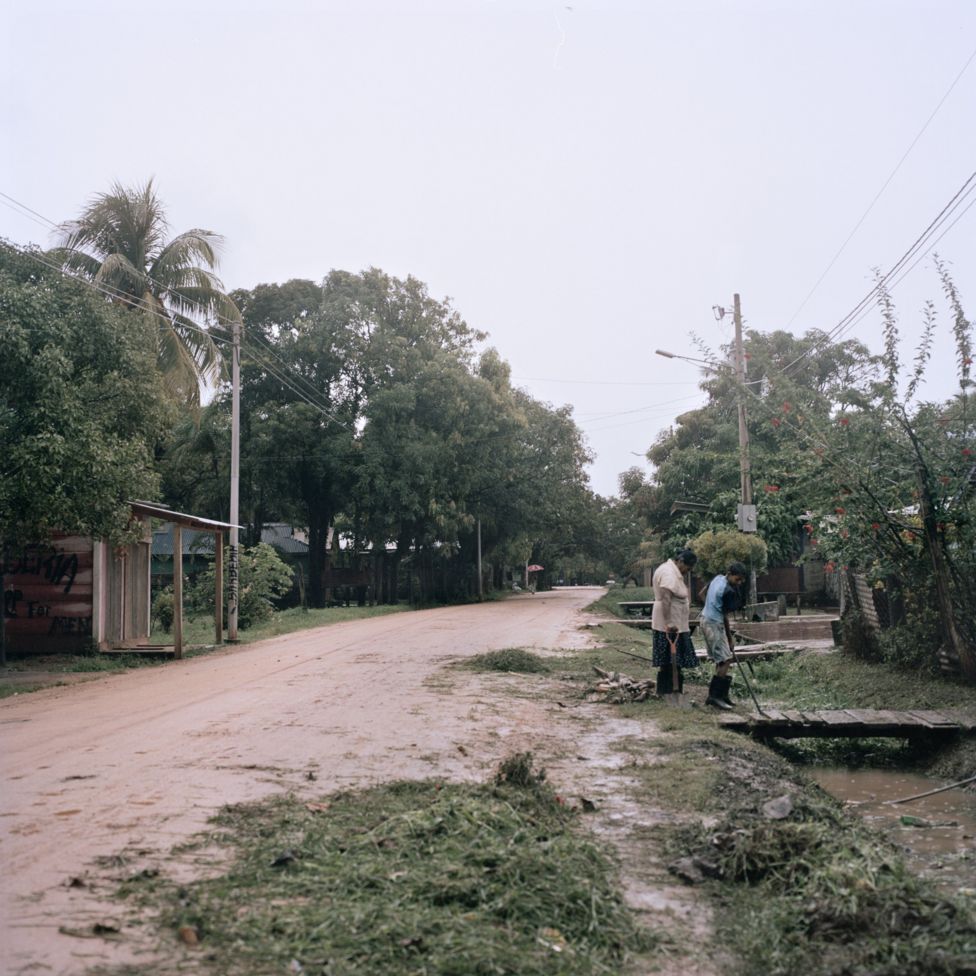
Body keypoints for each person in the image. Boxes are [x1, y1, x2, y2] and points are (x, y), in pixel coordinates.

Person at [699, 561, 747, 709]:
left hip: (704, 619)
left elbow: (701, 594)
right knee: (726, 660)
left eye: (741, 580)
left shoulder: (717, 578)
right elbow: (725, 616)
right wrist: (730, 639)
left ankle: (722, 696)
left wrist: (709, 606)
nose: (738, 583)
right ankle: (714, 697)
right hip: (713, 623)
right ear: (730, 574)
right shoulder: (727, 591)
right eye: (737, 579)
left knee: (721, 660)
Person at [651, 549, 698, 694]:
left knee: (674, 660)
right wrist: (669, 622)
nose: (688, 572)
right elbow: (666, 599)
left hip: (677, 624)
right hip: (670, 625)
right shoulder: (668, 573)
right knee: (669, 660)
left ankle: (672, 690)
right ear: (681, 561)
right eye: (688, 568)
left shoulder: (672, 570)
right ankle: (668, 690)